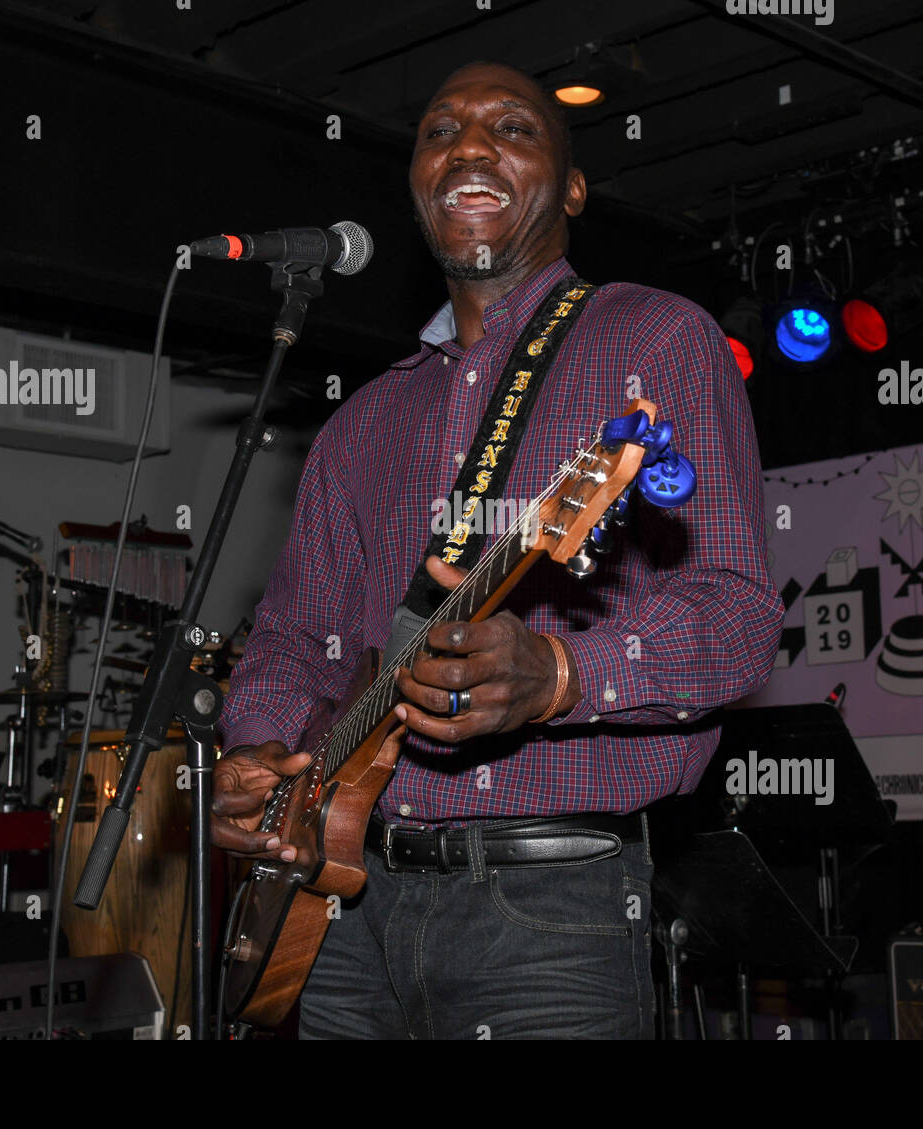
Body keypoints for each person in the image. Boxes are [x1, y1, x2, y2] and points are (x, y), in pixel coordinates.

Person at [214, 60, 784, 1039]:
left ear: (569, 188)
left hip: (549, 908)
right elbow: (288, 638)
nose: (467, 147)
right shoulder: (362, 420)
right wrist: (258, 756)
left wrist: (563, 670)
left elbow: (736, 613)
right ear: (414, 184)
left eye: (510, 129)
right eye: (439, 132)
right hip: (340, 909)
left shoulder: (657, 338)